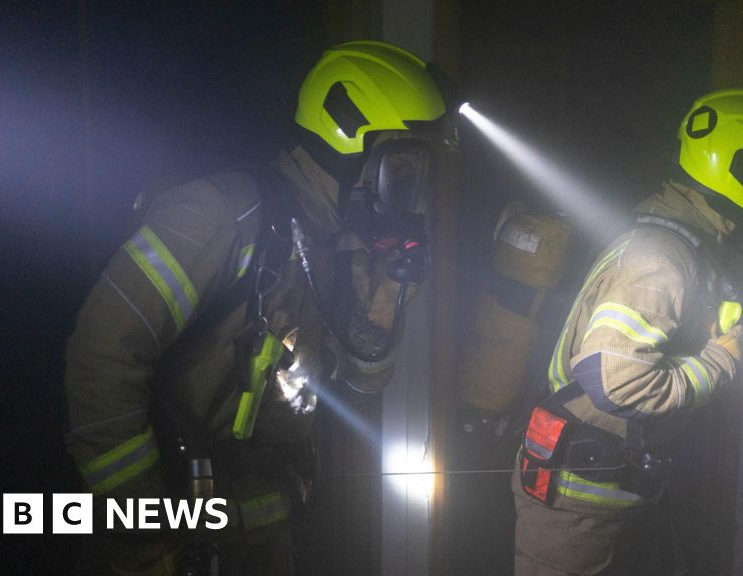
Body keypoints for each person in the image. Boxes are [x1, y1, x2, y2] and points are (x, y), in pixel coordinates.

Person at [63, 40, 456, 575]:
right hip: (164, 547)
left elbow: (364, 383)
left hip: (258, 538)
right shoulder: (221, 215)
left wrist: (386, 294)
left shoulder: (339, 248)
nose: (415, 195)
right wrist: (143, 523)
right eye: (404, 169)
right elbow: (101, 355)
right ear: (348, 148)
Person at [512, 89, 743, 575]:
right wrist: (721, 357)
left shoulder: (681, 241)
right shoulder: (661, 257)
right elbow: (616, 381)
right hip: (576, 507)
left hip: (604, 491)